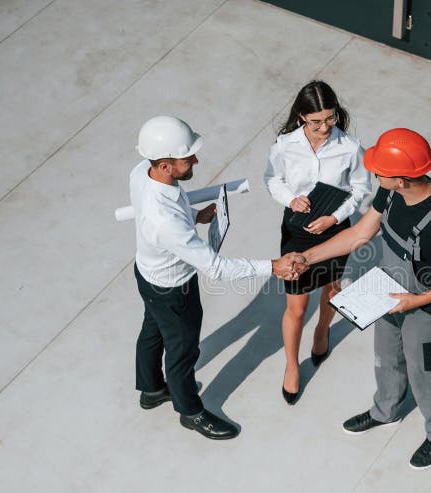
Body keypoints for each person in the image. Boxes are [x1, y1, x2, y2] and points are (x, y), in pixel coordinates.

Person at [298, 128, 431, 469]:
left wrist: (415, 301)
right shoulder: (392, 194)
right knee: (386, 356)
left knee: (423, 370)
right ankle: (386, 411)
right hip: (386, 290)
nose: (373, 175)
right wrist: (307, 257)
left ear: (401, 178)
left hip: (425, 304)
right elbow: (360, 232)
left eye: (379, 171)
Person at [130, 115, 305, 440]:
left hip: (147, 274)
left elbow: (156, 211)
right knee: (182, 352)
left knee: (152, 332)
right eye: (187, 157)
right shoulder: (166, 222)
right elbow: (218, 268)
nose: (195, 159)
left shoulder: (142, 173)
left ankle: (151, 389)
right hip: (172, 289)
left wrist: (194, 215)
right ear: (166, 165)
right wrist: (274, 266)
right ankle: (190, 412)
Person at [263, 80, 371, 404]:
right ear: (301, 116)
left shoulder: (350, 147)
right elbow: (271, 179)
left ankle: (323, 329)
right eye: (316, 121)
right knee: (296, 305)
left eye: (330, 118)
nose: (324, 127)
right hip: (297, 230)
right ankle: (292, 366)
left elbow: (361, 188)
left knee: (332, 288)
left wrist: (335, 218)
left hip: (335, 228)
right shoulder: (285, 145)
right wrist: (290, 199)